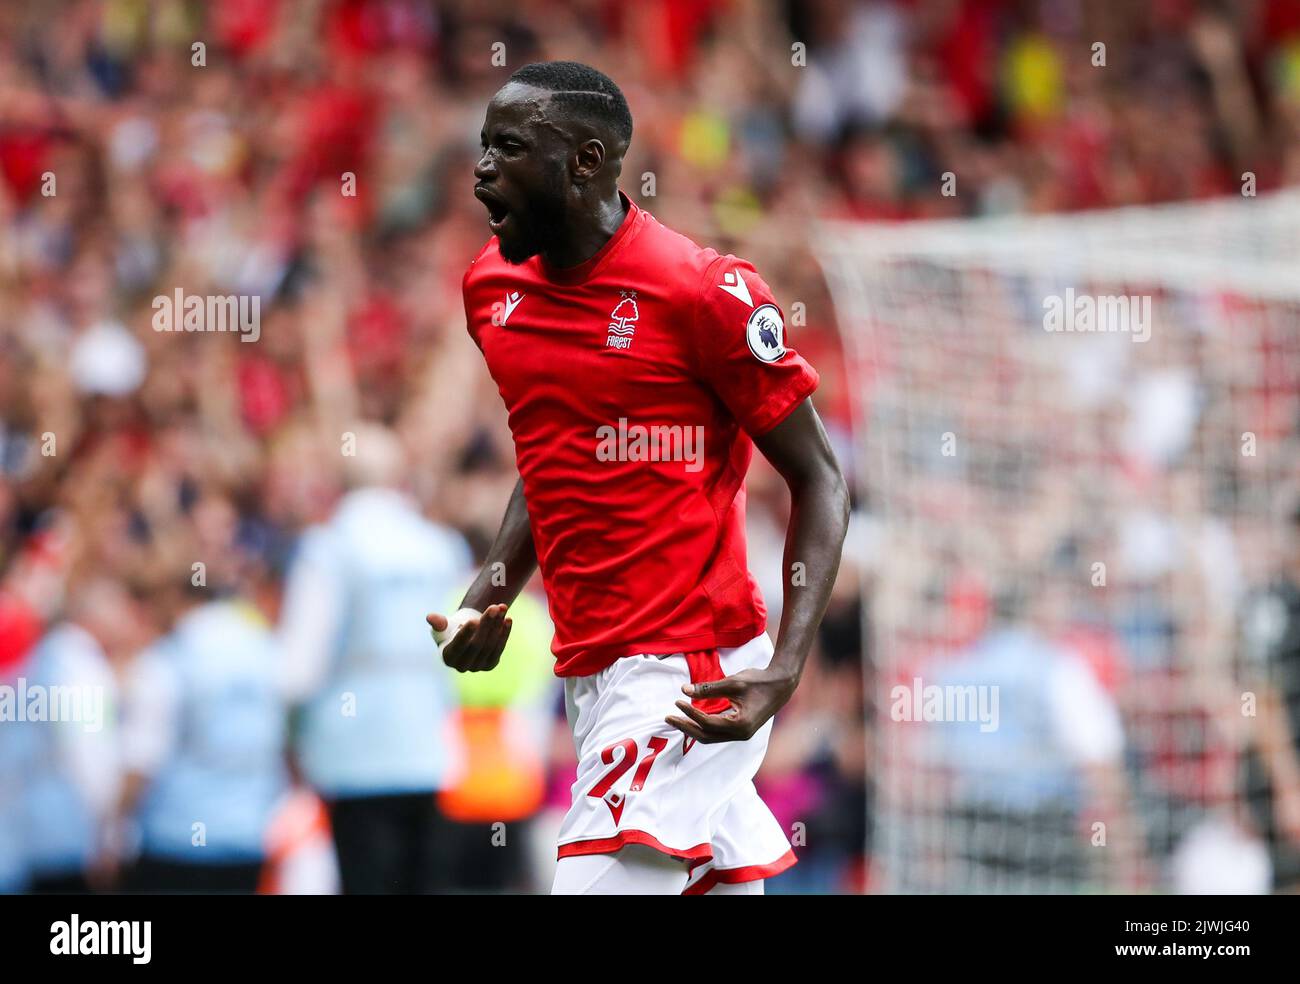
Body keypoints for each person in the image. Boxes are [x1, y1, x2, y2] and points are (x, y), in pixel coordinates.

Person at [428, 62, 850, 895]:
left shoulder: (701, 292)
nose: (480, 169)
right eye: (482, 146)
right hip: (592, 667)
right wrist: (492, 590)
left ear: (585, 161)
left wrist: (787, 663)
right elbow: (551, 453)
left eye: (506, 148)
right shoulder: (491, 290)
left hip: (687, 667)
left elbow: (822, 478)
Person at [279, 424, 471, 893]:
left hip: (352, 751)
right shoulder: (441, 545)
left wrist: (290, 733)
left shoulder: (329, 547)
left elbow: (298, 669)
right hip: (428, 741)